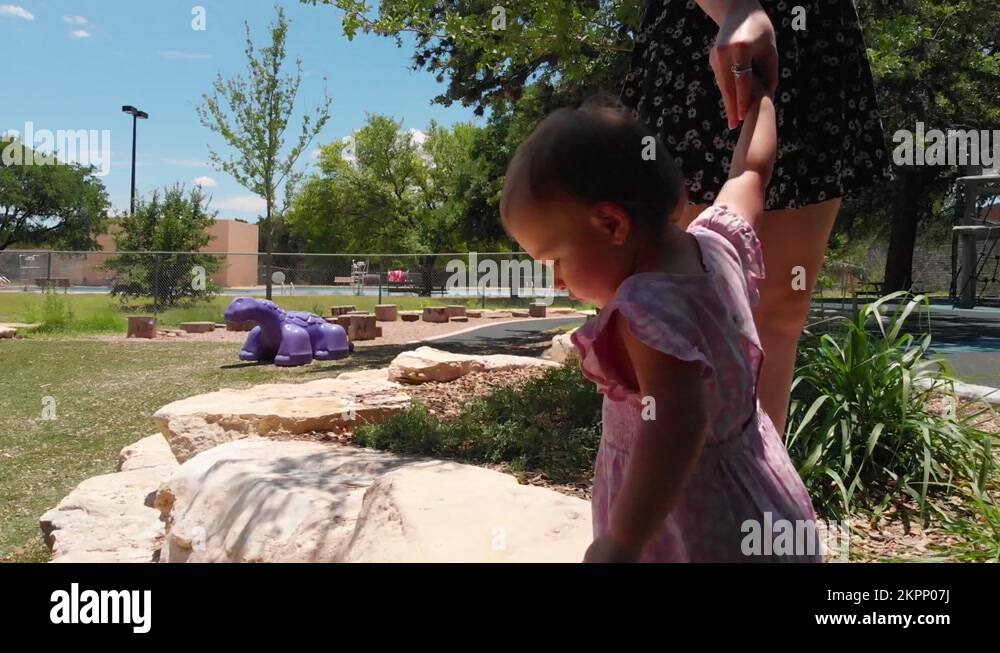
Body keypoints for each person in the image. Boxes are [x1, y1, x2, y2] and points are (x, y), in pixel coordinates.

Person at [499, 75, 821, 561]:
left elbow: (677, 425)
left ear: (612, 224)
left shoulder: (645, 311)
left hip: (693, 526)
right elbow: (751, 171)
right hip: (760, 489)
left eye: (554, 259)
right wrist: (761, 96)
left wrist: (622, 541)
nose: (557, 282)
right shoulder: (718, 241)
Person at [619, 0, 895, 435]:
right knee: (673, 313)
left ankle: (754, 468)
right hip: (702, 31)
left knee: (775, 313)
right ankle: (709, 469)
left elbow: (749, 173)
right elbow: (751, 172)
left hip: (812, 37)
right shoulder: (724, 225)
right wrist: (736, 10)